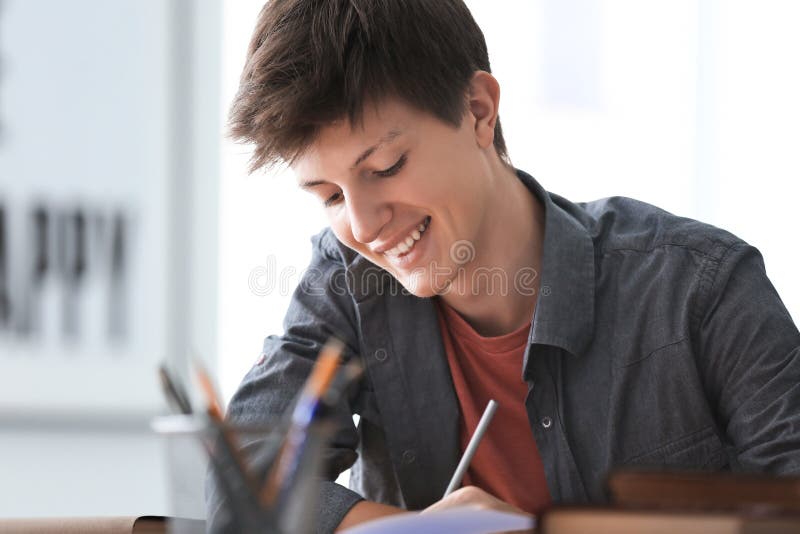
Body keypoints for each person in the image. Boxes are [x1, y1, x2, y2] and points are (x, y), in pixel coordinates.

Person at [206, 0, 800, 532]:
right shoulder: (347, 281)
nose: (363, 227)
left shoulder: (703, 289)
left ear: (478, 111)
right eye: (331, 196)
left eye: (386, 167)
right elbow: (239, 491)